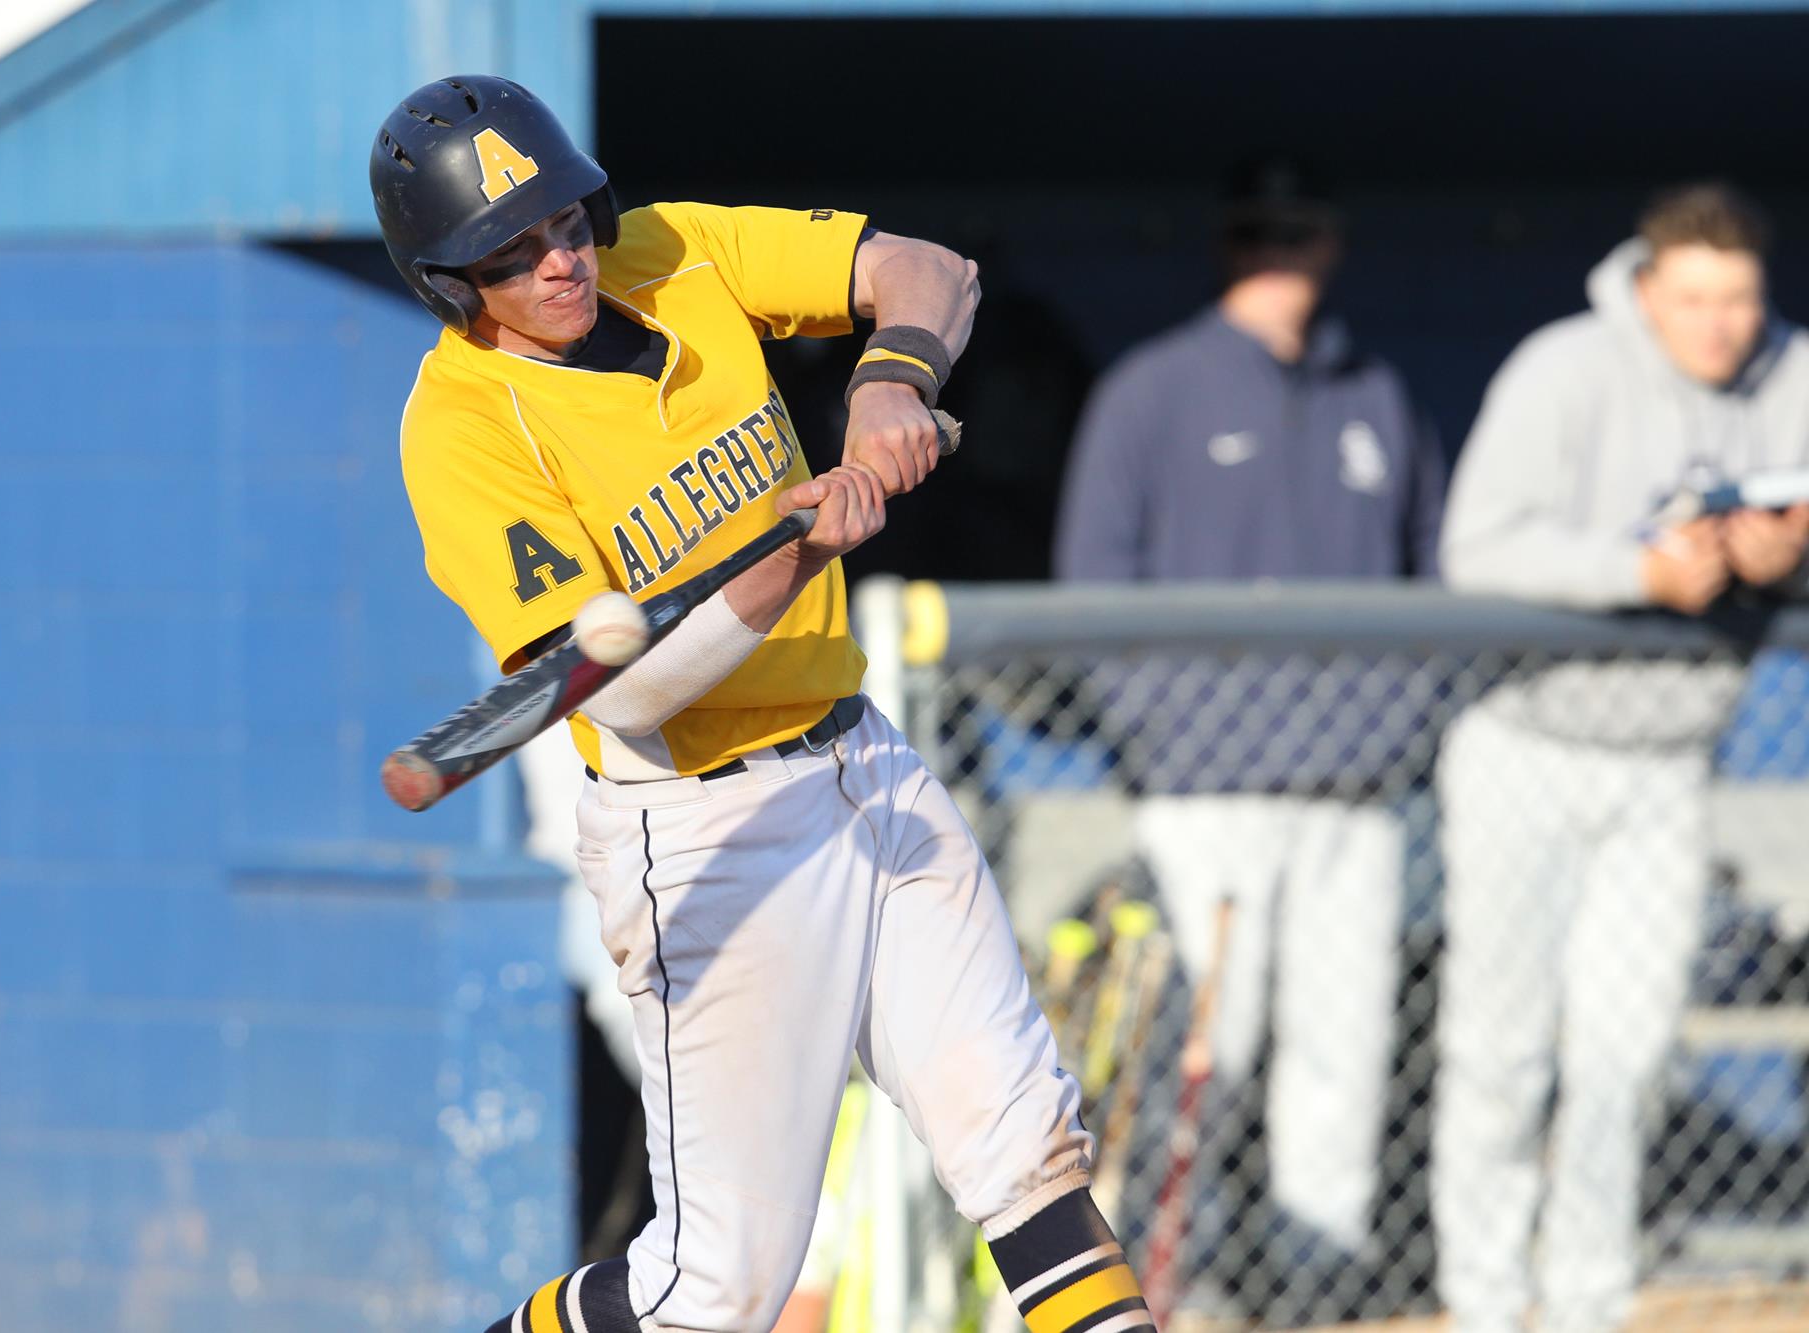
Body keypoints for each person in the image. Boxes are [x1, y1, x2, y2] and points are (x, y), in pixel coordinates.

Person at [372, 76, 1155, 1333]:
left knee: (1029, 1155)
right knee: (717, 1286)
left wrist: (889, 382)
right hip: (700, 830)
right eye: (509, 253)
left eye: (565, 219)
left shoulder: (668, 249)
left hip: (863, 765)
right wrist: (792, 549)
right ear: (451, 283)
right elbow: (634, 691)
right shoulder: (462, 426)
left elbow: (929, 270)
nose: (559, 260)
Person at [1053, 158, 1445, 1322]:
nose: (1281, 255)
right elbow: (1092, 580)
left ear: (1329, 245)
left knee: (1342, 1047)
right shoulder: (1155, 388)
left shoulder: (1374, 390)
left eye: (1301, 233)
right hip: (1206, 791)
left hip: (1354, 791)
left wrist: (1398, 726)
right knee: (1202, 1053)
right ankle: (1186, 1276)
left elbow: (1435, 567)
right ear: (1228, 245)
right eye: (1259, 234)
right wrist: (1161, 731)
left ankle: (1316, 1278)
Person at [1434, 182, 1809, 1333]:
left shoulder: (1793, 371)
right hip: (1525, 744)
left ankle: (1586, 1304)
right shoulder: (1563, 366)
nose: (1715, 324)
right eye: (1691, 298)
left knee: (1625, 1053)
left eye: (1735, 299)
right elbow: (1473, 546)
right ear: (1645, 289)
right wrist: (1635, 575)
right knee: (1501, 1049)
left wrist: (1786, 556)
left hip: (1667, 761)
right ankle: (1485, 1302)